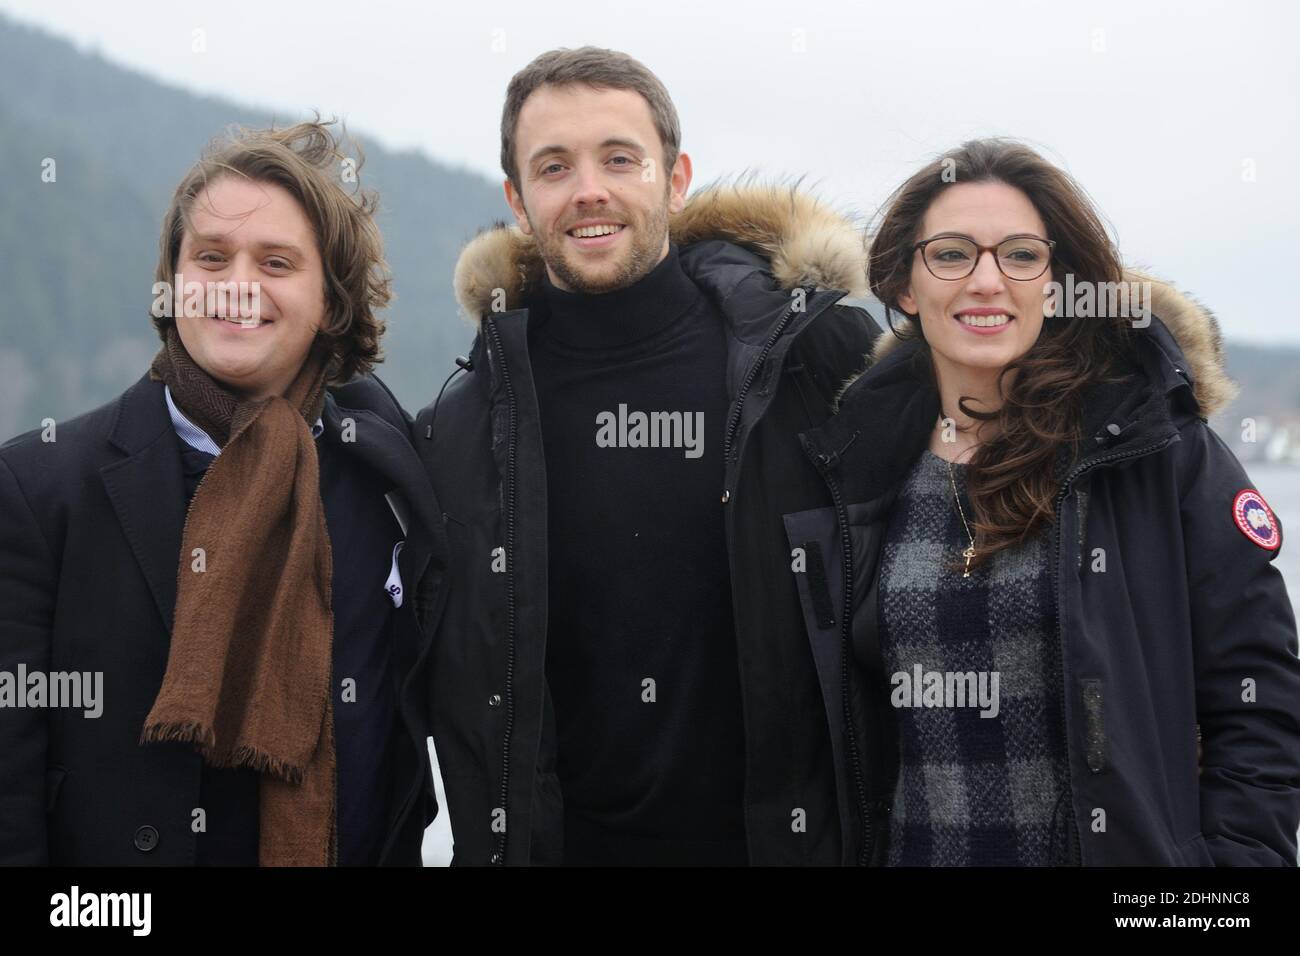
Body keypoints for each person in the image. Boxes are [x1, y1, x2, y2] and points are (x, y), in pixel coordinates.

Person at [415, 46, 880, 865]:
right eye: (554, 166)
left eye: (618, 158)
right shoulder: (466, 426)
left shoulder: (812, 360)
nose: (588, 188)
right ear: (519, 203)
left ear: (675, 178)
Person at [785, 137, 1300, 865]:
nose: (987, 281)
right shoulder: (858, 465)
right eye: (953, 254)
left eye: (1021, 255)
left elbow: (1259, 694)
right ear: (905, 285)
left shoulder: (1153, 450)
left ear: (1057, 282)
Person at [0, 119, 446, 865]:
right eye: (211, 258)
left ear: (331, 304)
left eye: (276, 262)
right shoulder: (41, 489)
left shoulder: (388, 481)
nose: (238, 284)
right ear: (172, 285)